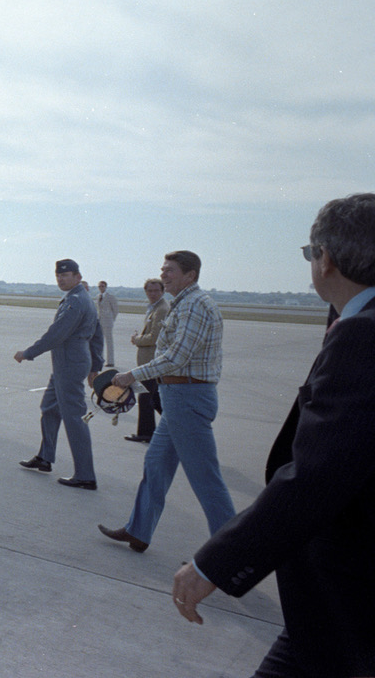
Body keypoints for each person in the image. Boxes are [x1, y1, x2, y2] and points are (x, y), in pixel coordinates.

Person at [172, 194, 375, 678]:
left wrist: (214, 563)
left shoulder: (362, 336)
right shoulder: (353, 321)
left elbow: (316, 475)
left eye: (310, 253)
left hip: (349, 595)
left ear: (326, 259)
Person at [98, 250, 235, 553]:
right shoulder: (182, 304)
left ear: (190, 275)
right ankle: (139, 531)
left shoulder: (195, 305)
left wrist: (131, 375)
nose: (163, 275)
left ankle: (229, 554)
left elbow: (176, 357)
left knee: (205, 479)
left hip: (188, 398)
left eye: (170, 270)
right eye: (162, 269)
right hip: (177, 399)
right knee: (156, 464)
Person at [14, 259, 104, 490]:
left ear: (77, 277)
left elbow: (57, 334)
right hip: (69, 362)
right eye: (58, 276)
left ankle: (85, 475)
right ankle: (45, 457)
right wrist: (95, 365)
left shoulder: (76, 301)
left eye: (66, 275)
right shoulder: (83, 298)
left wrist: (28, 353)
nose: (61, 279)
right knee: (49, 408)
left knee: (74, 418)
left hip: (70, 363)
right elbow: (97, 334)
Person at [124, 278, 170, 443]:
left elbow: (155, 337)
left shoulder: (162, 309)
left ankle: (146, 433)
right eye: (150, 291)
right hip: (150, 361)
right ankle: (177, 426)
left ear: (162, 291)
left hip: (152, 362)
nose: (153, 294)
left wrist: (136, 339)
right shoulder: (154, 308)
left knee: (145, 396)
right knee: (155, 398)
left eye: (156, 291)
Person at [97, 280, 119, 366]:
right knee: (100, 341)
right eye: (99, 286)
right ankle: (100, 359)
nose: (101, 288)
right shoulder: (98, 296)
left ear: (106, 287)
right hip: (100, 322)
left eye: (102, 286)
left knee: (109, 342)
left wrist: (111, 319)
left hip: (108, 322)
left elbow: (115, 309)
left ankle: (110, 361)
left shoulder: (110, 297)